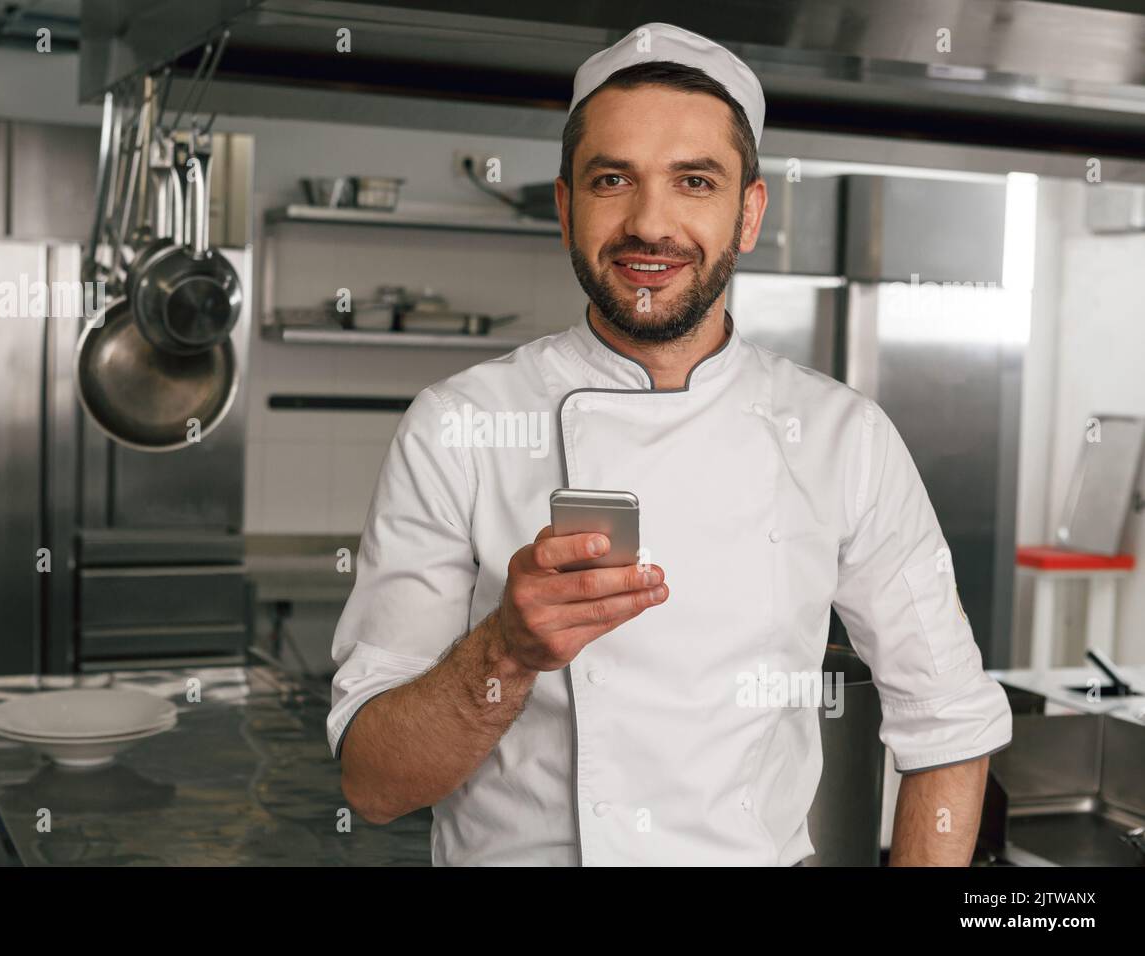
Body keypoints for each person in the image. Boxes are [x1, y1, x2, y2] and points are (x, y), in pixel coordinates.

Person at [327, 22, 1012, 866]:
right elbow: (373, 784)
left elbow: (949, 721)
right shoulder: (456, 426)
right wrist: (506, 648)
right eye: (613, 179)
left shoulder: (844, 437)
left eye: (695, 181)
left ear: (749, 212)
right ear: (566, 206)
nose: (651, 224)